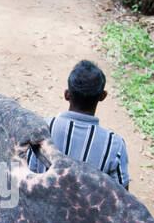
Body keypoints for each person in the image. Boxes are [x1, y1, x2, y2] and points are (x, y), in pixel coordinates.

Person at [29, 60, 129, 188]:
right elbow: (122, 196)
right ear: (103, 96)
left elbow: (28, 175)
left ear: (66, 95)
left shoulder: (43, 129)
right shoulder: (114, 144)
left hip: (43, 206)